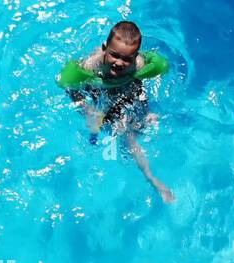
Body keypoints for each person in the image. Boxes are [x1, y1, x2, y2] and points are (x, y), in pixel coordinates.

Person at [60, 21, 175, 204]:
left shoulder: (139, 65)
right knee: (118, 131)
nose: (120, 63)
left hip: (128, 89)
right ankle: (151, 177)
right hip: (99, 90)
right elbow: (66, 83)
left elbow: (162, 66)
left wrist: (146, 110)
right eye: (114, 55)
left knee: (130, 129)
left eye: (127, 59)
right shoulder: (91, 67)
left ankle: (151, 177)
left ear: (136, 56)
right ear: (105, 48)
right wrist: (86, 109)